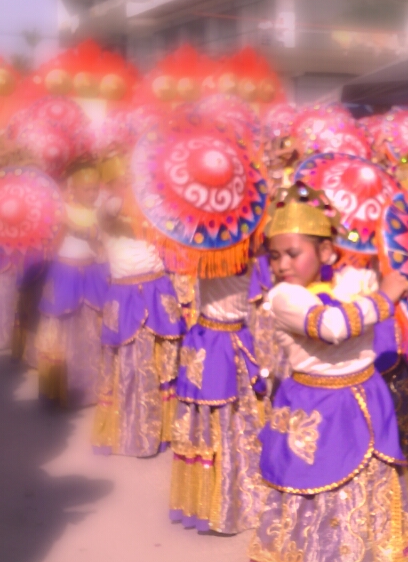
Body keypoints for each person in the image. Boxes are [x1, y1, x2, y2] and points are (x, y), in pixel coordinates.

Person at [232, 184, 408, 562]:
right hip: (315, 416)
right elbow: (333, 327)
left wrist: (398, 279)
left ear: (327, 252)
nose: (281, 264)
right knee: (300, 522)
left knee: (359, 522)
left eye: (292, 253)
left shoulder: (345, 286)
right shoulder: (285, 297)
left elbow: (365, 311)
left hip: (364, 407)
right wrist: (388, 295)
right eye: (275, 256)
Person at [91, 154, 183, 457]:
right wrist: (131, 198)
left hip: (158, 287)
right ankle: (134, 434)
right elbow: (109, 212)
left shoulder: (153, 206)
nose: (125, 185)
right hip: (125, 294)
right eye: (120, 181)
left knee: (162, 365)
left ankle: (163, 432)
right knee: (130, 367)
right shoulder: (107, 208)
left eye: (129, 180)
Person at [169, 264, 268, 535]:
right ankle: (224, 504)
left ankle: (213, 504)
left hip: (207, 339)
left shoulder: (203, 254)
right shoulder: (252, 257)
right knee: (230, 424)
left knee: (213, 425)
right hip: (225, 341)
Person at [37, 162, 108, 408]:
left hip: (91, 272)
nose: (92, 193)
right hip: (65, 272)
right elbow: (50, 241)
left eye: (95, 188)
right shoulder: (62, 211)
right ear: (74, 190)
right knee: (63, 330)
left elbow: (102, 245)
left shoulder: (99, 212)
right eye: (87, 189)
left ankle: (90, 387)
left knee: (90, 328)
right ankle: (61, 388)